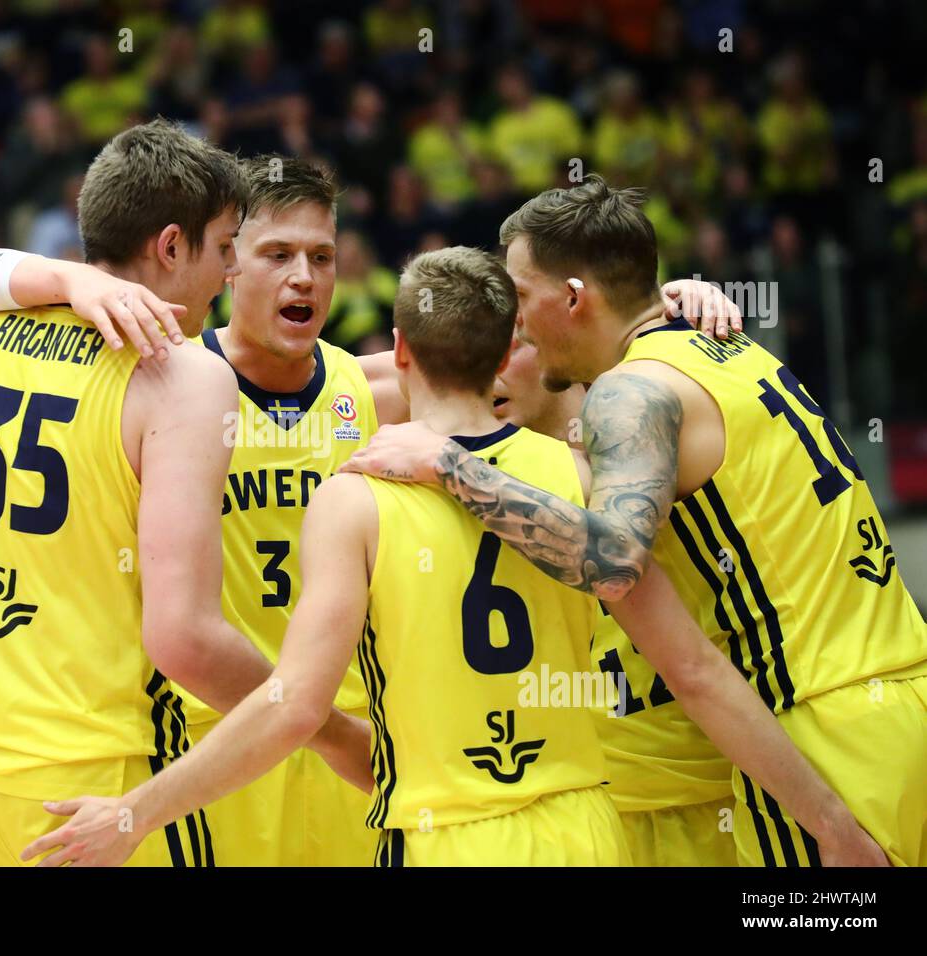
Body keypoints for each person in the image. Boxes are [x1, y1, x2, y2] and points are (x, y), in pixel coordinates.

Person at [0, 156, 752, 866]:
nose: (304, 277)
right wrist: (63, 276)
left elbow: (546, 345)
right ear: (227, 263)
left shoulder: (378, 387)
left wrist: (662, 311)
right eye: (276, 253)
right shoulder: (160, 385)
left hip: (370, 752)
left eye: (321, 256)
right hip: (221, 753)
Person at [21, 248, 885, 868]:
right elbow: (695, 665)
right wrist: (829, 820)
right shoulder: (581, 476)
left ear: (396, 352)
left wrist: (136, 813)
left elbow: (289, 707)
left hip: (444, 833)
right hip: (589, 826)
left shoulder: (354, 499)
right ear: (516, 347)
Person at [343, 176, 927, 867]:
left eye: (522, 300)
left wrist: (452, 466)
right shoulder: (725, 347)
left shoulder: (632, 391)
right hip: (900, 697)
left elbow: (615, 562)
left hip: (822, 731)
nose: (517, 326)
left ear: (572, 297)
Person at [0, 120, 367, 867]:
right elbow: (182, 640)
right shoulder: (183, 373)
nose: (230, 274)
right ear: (170, 247)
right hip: (107, 788)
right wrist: (316, 723)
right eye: (226, 250)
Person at [492, 333, 735, 866]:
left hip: (711, 794)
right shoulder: (482, 479)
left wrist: (673, 314)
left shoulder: (644, 432)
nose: (490, 368)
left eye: (508, 346)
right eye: (475, 351)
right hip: (585, 815)